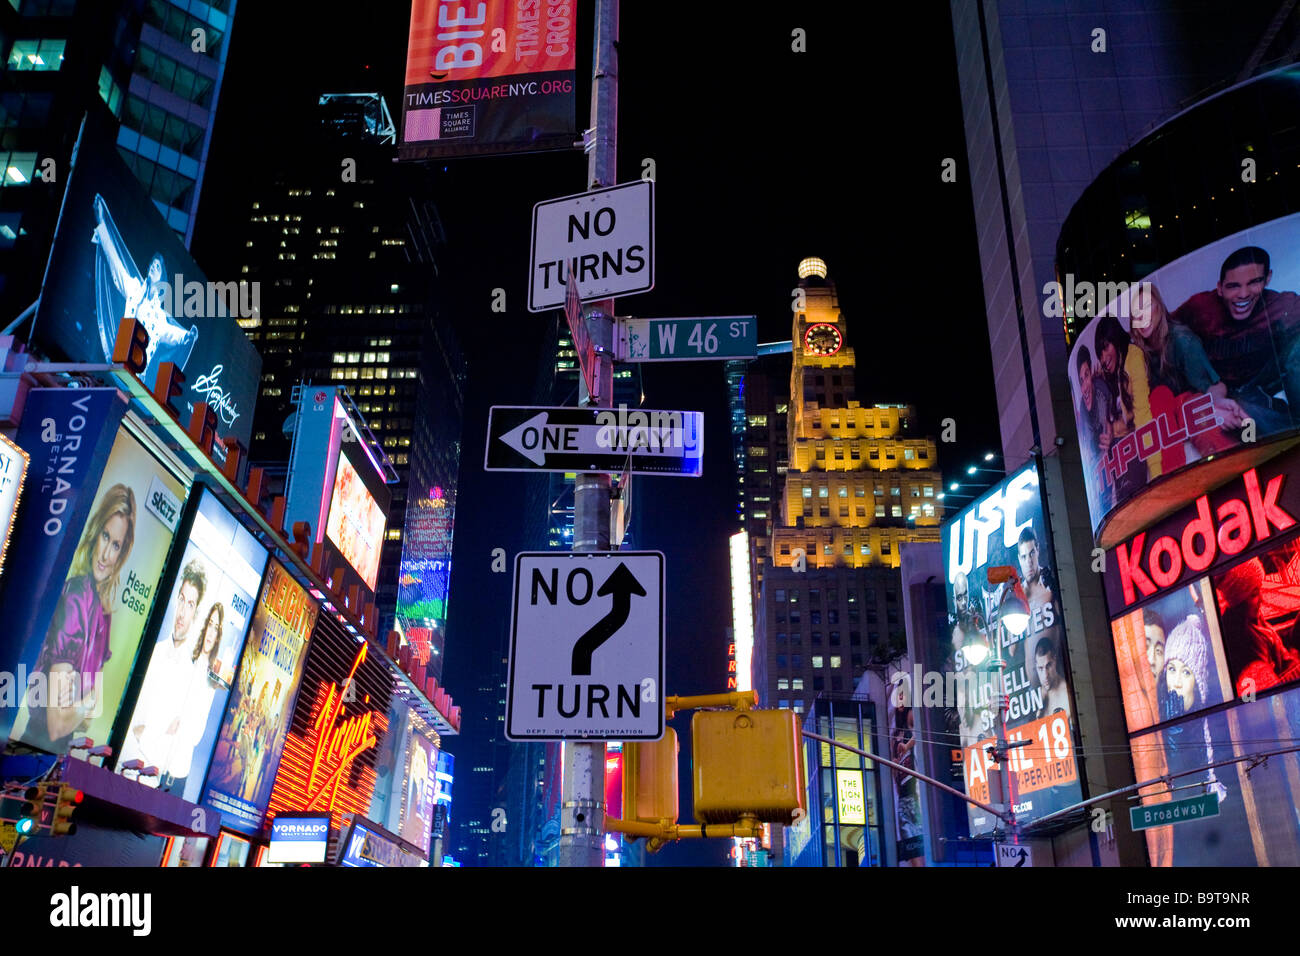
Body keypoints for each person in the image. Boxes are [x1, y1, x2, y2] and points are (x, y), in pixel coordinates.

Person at [22, 485, 137, 751]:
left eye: (116, 545)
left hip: (58, 756)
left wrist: (81, 705)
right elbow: (57, 724)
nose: (106, 555)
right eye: (105, 537)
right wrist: (83, 704)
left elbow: (91, 717)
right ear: (96, 534)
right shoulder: (77, 596)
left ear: (122, 553)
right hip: (31, 749)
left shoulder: (103, 615)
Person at [1171, 246, 1300, 431]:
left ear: (1267, 279)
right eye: (1233, 286)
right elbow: (1163, 330)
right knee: (1239, 413)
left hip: (1264, 377)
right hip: (1226, 391)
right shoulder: (1201, 307)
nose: (1243, 294)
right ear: (1220, 288)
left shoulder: (1283, 303)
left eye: (1254, 282)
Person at [1127, 282, 1244, 470]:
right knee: (1159, 398)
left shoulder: (1183, 341)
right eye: (1135, 313)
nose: (1142, 317)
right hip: (1164, 418)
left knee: (1186, 404)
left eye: (1147, 307)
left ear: (1159, 307)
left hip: (1190, 408)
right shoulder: (1138, 353)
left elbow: (1213, 385)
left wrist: (1216, 405)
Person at [121, 559, 208, 788]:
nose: (182, 611)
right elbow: (129, 723)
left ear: (196, 612)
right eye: (181, 599)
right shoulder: (153, 654)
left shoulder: (194, 675)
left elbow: (180, 739)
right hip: (122, 773)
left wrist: (145, 734)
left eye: (190, 604)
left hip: (155, 786)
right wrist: (156, 732)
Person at [1216, 558, 1300, 697]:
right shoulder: (1243, 641)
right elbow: (1266, 698)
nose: (1262, 599)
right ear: (1239, 598)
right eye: (1254, 594)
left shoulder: (1252, 618)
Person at [1095, 314, 1153, 494]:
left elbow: (1142, 411)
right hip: (1125, 444)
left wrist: (1155, 464)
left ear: (1116, 340)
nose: (1104, 358)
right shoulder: (1109, 376)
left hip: (1144, 433)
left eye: (1106, 348)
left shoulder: (1133, 356)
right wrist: (1111, 431)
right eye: (1100, 353)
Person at [1074, 345, 1116, 514]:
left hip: (1114, 453)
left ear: (1091, 373)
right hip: (1099, 467)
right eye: (1080, 380)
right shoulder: (1082, 409)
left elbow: (1107, 427)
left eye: (1086, 375)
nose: (1084, 386)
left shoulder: (1100, 389)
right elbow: (1089, 449)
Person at [1033, 635, 1072, 723]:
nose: (1045, 675)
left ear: (1055, 660)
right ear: (1036, 667)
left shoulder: (1065, 695)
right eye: (1040, 668)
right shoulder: (1037, 693)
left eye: (1048, 665)